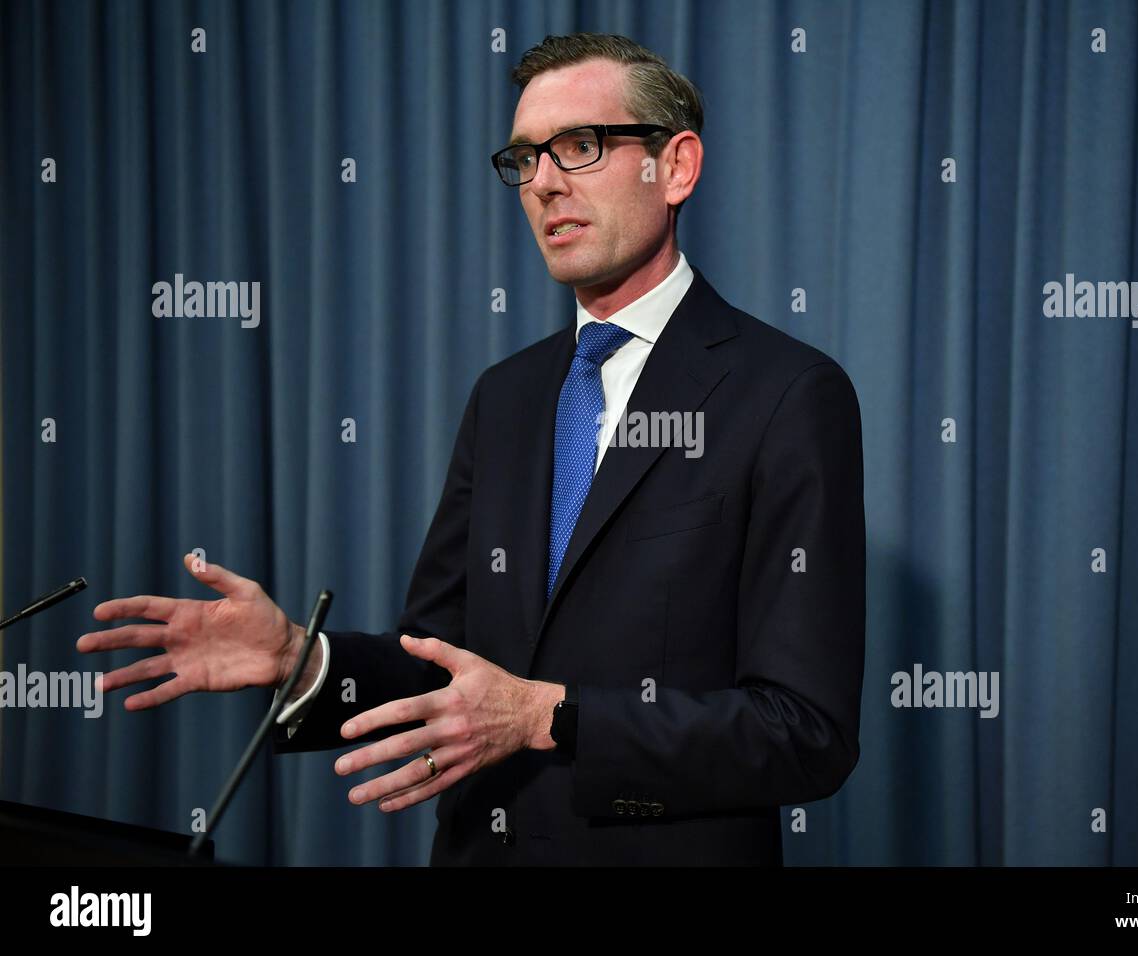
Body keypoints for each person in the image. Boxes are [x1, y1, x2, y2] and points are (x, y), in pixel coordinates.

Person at [79, 32, 865, 865]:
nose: (546, 182)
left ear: (674, 167)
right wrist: (301, 660)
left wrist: (548, 717)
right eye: (525, 158)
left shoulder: (786, 393)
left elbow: (804, 732)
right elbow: (442, 665)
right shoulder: (508, 397)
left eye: (582, 146)